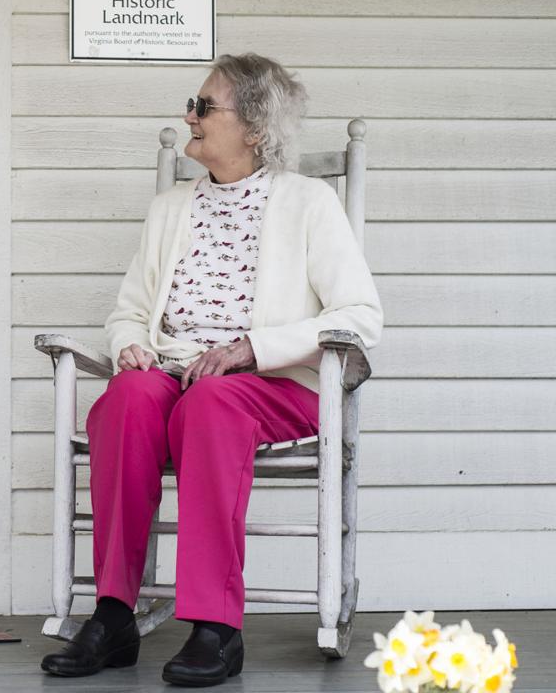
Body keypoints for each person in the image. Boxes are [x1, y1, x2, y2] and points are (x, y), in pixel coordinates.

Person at [40, 54, 383, 686]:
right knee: (125, 399)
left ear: (254, 127)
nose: (189, 116)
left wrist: (253, 348)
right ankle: (114, 614)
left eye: (204, 107)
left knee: (210, 405)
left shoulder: (309, 202)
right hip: (175, 371)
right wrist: (129, 348)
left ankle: (216, 628)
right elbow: (130, 312)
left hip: (273, 383)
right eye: (192, 105)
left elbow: (360, 317)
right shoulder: (171, 207)